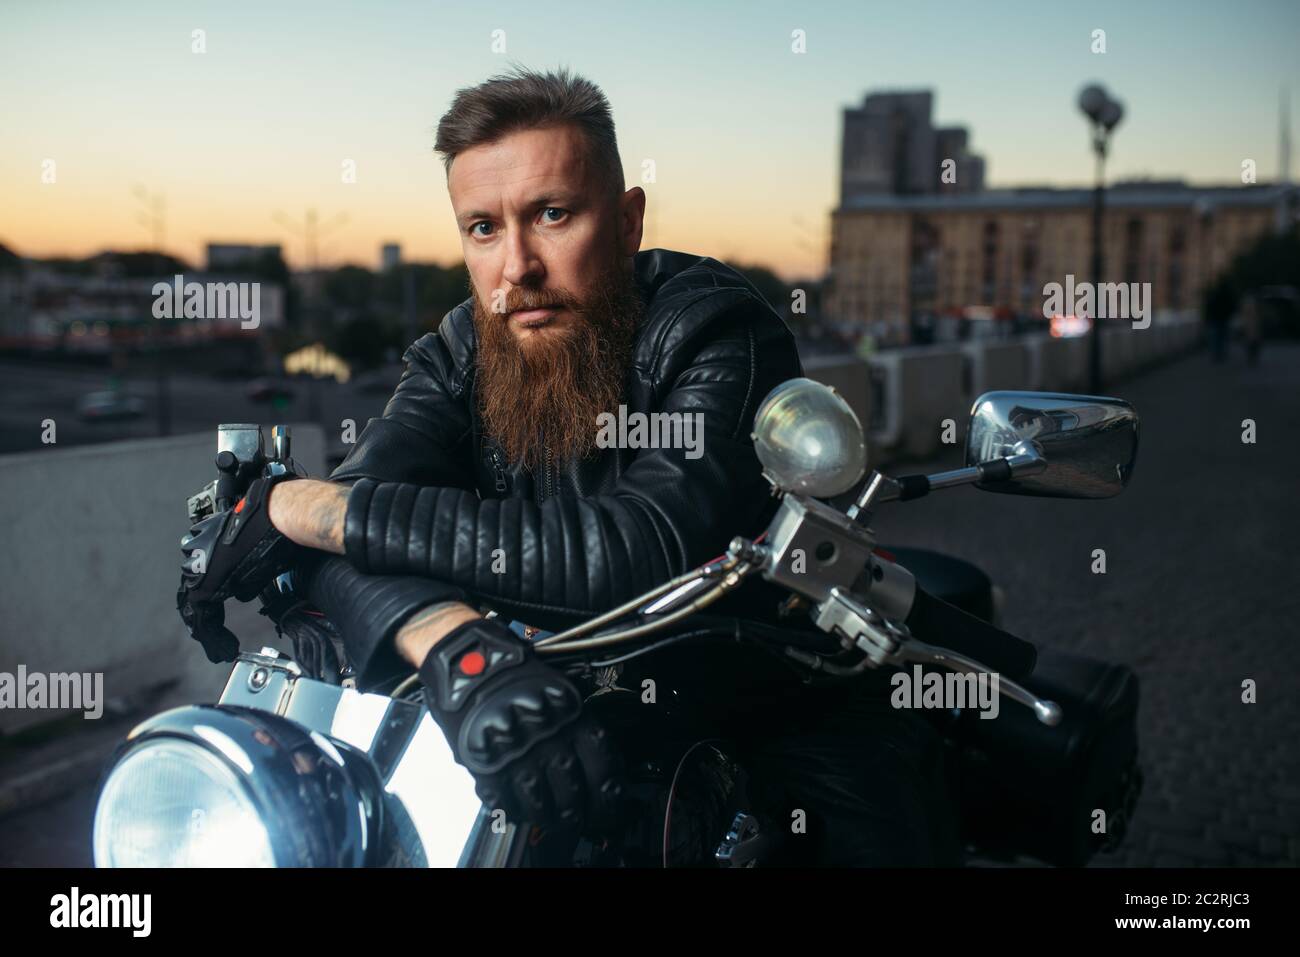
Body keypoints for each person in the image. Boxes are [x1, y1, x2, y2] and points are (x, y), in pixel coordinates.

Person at [177, 65, 959, 866]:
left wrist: (307, 507)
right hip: (544, 706)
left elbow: (638, 547)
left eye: (551, 214)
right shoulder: (459, 352)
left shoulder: (715, 329)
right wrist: (454, 646)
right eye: (483, 228)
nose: (517, 266)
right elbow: (337, 539)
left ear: (626, 223)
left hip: (759, 705)